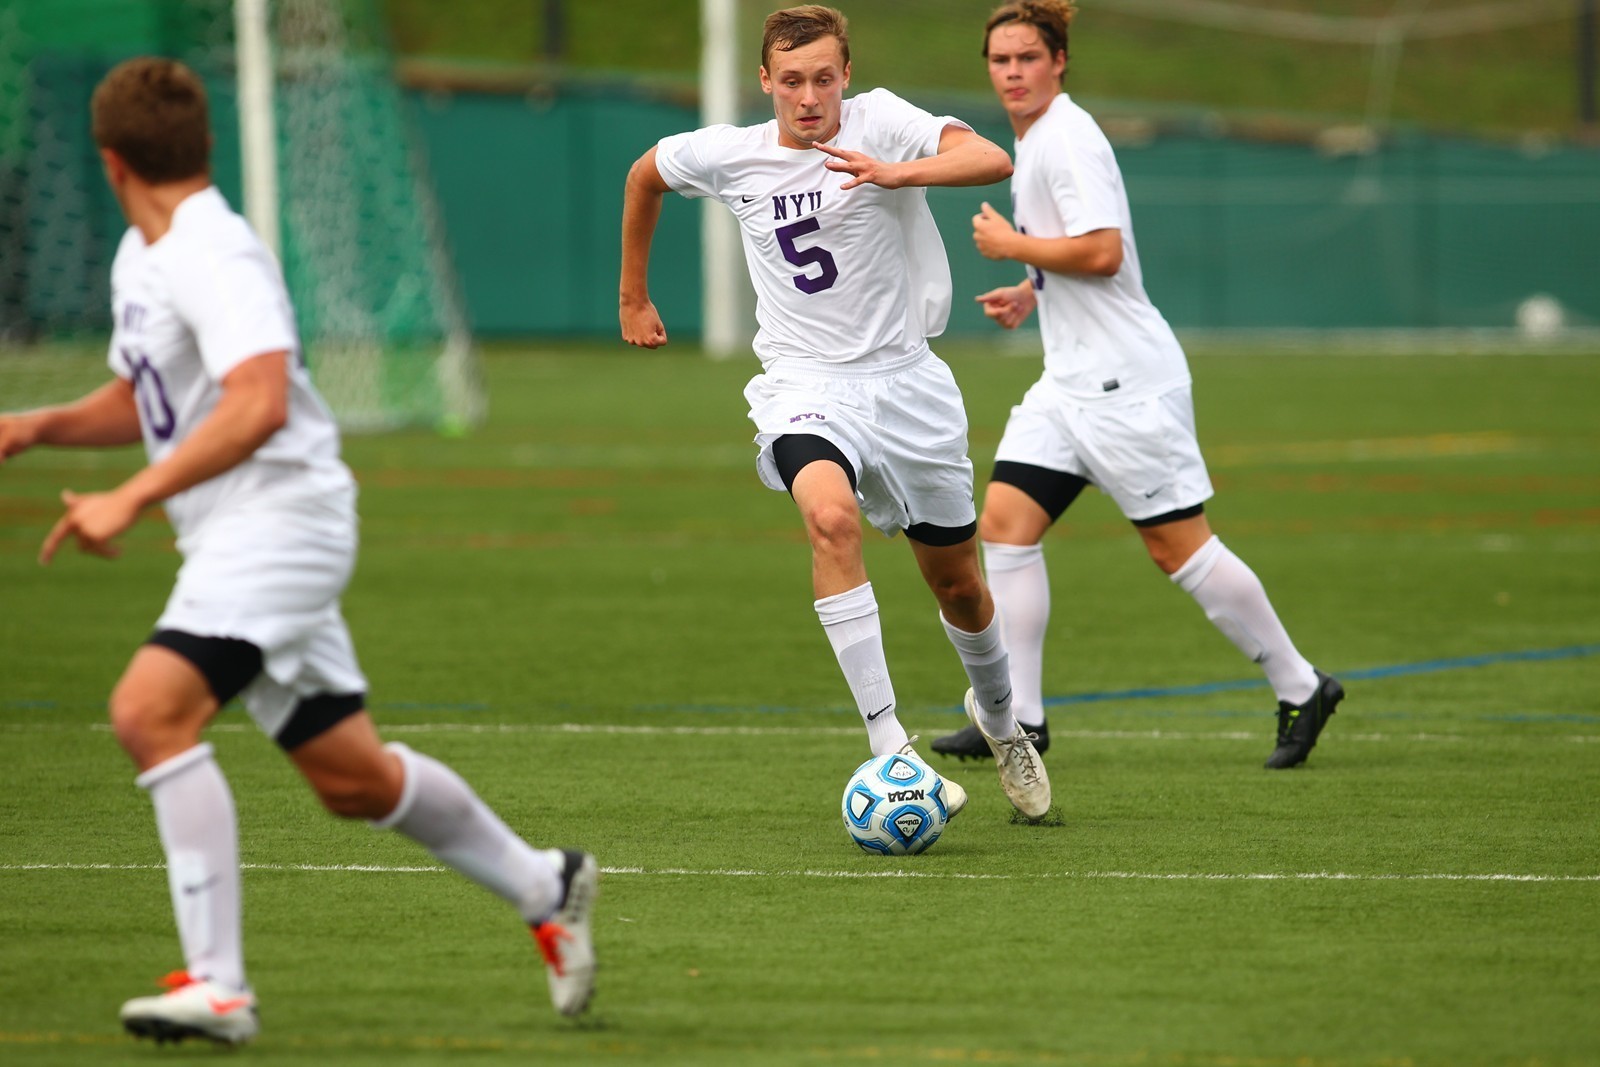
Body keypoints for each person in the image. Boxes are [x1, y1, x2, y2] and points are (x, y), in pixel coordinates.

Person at [0, 58, 598, 1045]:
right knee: (351, 777)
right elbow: (152, 400)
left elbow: (258, 398)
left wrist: (130, 498)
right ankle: (548, 881)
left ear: (109, 160)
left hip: (279, 522)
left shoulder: (214, 252)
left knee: (148, 713)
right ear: (202, 142)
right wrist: (36, 425)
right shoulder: (143, 254)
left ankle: (220, 987)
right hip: (241, 535)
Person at [619, 5, 1050, 819]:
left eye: (823, 78)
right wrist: (633, 294)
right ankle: (891, 747)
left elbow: (991, 157)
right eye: (791, 81)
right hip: (804, 384)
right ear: (765, 82)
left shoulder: (883, 121)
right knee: (830, 519)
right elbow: (645, 175)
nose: (808, 97)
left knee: (958, 585)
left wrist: (899, 172)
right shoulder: (730, 155)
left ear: (845, 74)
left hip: (909, 385)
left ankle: (1001, 721)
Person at [931, 0, 1343, 772]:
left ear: (1059, 62)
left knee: (1177, 549)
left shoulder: (1068, 137)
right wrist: (1030, 288)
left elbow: (1105, 253)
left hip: (1125, 384)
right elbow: (1073, 258)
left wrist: (1011, 245)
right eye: (1000, 60)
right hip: (1070, 381)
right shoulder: (1039, 139)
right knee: (1006, 526)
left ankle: (1302, 682)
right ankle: (1021, 714)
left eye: (1027, 57)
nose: (1013, 72)